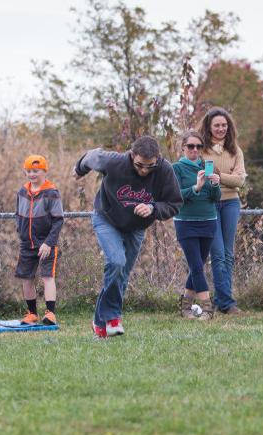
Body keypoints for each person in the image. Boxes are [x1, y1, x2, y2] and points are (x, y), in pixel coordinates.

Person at [74, 135, 182, 338]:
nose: (144, 171)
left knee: (121, 274)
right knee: (116, 261)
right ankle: (113, 318)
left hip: (136, 228)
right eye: (140, 165)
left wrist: (153, 208)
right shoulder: (115, 161)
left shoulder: (165, 170)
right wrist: (79, 169)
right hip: (106, 218)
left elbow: (175, 203)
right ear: (132, 155)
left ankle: (99, 322)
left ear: (157, 158)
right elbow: (92, 155)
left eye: (150, 166)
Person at [199, 107, 247, 314]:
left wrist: (222, 177)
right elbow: (207, 180)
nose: (221, 129)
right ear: (209, 128)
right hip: (210, 203)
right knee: (217, 253)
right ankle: (227, 303)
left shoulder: (235, 150)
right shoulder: (202, 150)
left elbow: (240, 181)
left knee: (228, 254)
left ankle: (221, 301)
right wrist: (223, 178)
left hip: (231, 203)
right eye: (217, 125)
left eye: (224, 125)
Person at [173, 131, 221, 320]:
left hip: (208, 221)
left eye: (199, 146)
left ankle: (185, 307)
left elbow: (215, 199)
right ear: (183, 147)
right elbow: (175, 196)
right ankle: (208, 308)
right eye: (191, 146)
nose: (195, 150)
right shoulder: (176, 168)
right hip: (185, 223)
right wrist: (196, 187)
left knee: (197, 265)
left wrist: (216, 185)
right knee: (196, 266)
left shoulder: (208, 167)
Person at [15, 154, 64, 326]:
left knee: (47, 276)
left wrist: (48, 243)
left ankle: (50, 313)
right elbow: (18, 214)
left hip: (46, 244)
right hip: (27, 243)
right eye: (28, 171)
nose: (32, 174)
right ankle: (32, 313)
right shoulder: (22, 191)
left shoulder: (52, 192)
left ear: (44, 171)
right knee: (26, 278)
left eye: (35, 171)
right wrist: (21, 232)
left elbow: (58, 220)